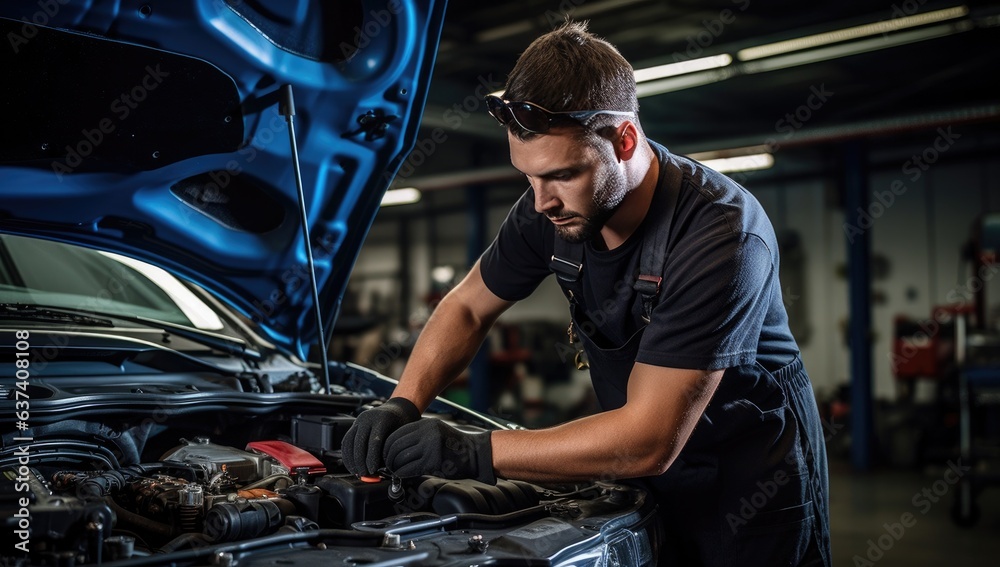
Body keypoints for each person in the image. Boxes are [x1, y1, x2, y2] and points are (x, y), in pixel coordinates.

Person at [342, 21, 831, 566]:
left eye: (562, 175)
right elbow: (465, 305)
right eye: (527, 177)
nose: (542, 201)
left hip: (748, 491)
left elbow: (649, 437)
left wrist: (472, 452)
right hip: (644, 479)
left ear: (624, 140)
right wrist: (404, 401)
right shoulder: (549, 209)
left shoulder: (721, 236)